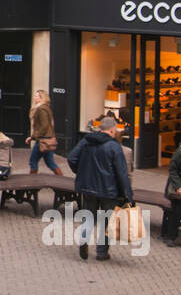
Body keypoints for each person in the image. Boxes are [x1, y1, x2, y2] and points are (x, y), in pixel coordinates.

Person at [67, 114, 133, 261]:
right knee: (107, 221)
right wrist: (127, 195)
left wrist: (81, 172)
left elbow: (71, 158)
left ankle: (84, 240)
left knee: (89, 217)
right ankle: (102, 252)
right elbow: (122, 173)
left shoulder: (86, 141)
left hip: (88, 187)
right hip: (108, 190)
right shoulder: (114, 147)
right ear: (111, 130)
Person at [27, 89, 63, 175]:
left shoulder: (41, 109)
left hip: (43, 140)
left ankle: (32, 183)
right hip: (48, 138)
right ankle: (61, 179)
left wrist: (33, 137)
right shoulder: (46, 108)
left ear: (41, 98)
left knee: (33, 161)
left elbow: (44, 125)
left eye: (36, 96)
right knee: (50, 162)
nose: (34, 98)